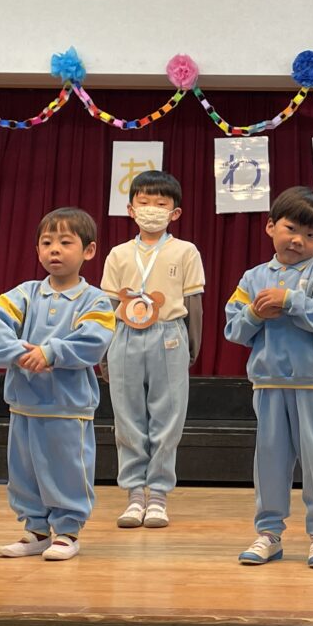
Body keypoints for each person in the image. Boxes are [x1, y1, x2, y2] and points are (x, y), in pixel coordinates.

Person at [0, 207, 115, 561]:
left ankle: (68, 531)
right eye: (47, 242)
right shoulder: (23, 295)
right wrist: (18, 353)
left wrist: (50, 352)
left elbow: (94, 340)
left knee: (68, 470)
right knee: (24, 472)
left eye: (65, 242)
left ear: (88, 250)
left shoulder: (95, 300)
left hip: (68, 408)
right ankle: (35, 530)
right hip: (24, 404)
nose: (54, 249)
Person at [225, 186, 313, 569]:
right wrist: (257, 315)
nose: (299, 240)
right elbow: (234, 329)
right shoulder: (253, 277)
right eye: (291, 229)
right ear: (270, 227)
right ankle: (269, 533)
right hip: (269, 383)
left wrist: (290, 301)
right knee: (270, 462)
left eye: (311, 235)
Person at [101, 171, 206, 530]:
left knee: (167, 417)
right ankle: (133, 494)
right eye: (144, 203)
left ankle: (158, 494)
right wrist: (104, 352)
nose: (152, 210)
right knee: (127, 418)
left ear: (174, 213)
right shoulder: (118, 254)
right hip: (125, 335)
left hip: (169, 335)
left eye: (161, 204)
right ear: (130, 209)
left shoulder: (185, 251)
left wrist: (192, 347)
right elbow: (106, 306)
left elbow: (194, 303)